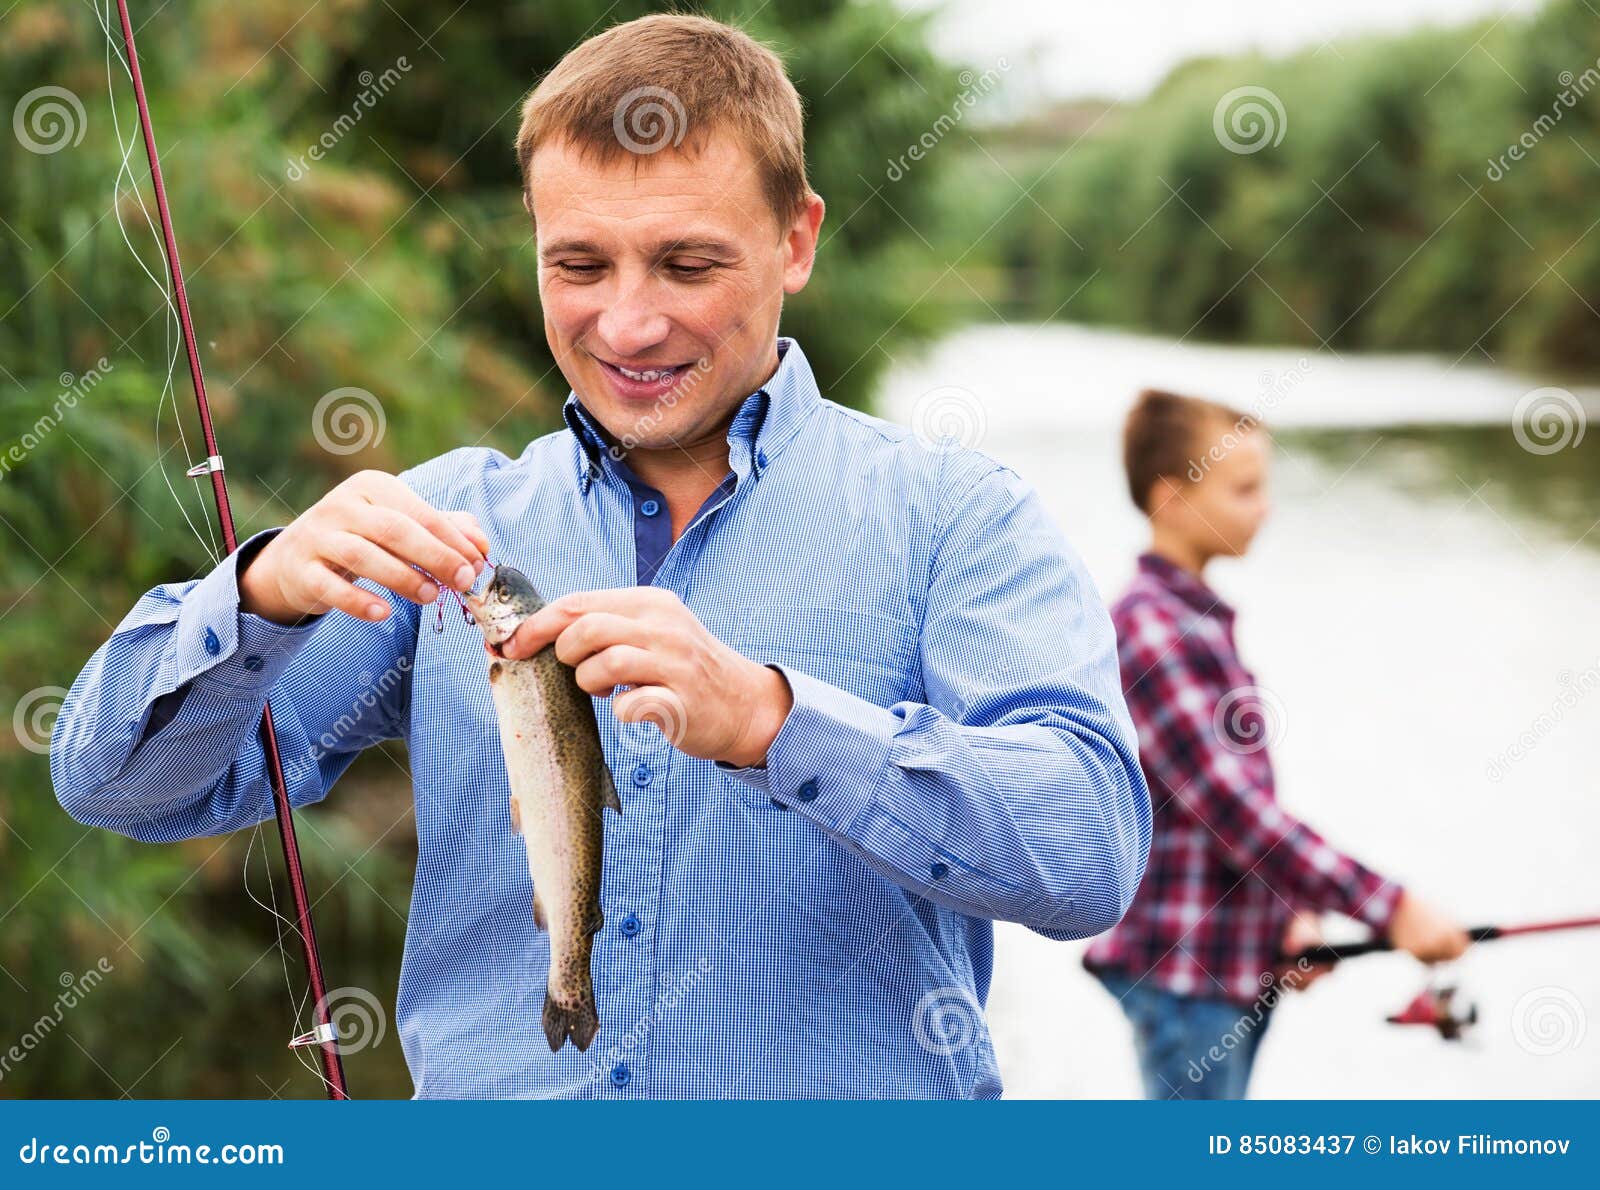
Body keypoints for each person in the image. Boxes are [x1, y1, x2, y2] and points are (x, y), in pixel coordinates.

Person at [51, 14, 1150, 1099]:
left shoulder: (957, 516)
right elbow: (118, 791)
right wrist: (254, 598)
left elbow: (1088, 851)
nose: (626, 325)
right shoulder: (442, 532)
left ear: (797, 240)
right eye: (578, 262)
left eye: (686, 264)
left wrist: (773, 721)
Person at [1082, 388, 1469, 1100]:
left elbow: (1227, 815)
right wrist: (1393, 907)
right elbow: (1237, 812)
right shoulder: (1152, 633)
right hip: (1183, 974)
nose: (1265, 507)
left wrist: (1289, 915)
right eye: (1244, 489)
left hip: (1227, 965)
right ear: (1171, 498)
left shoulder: (1197, 621)